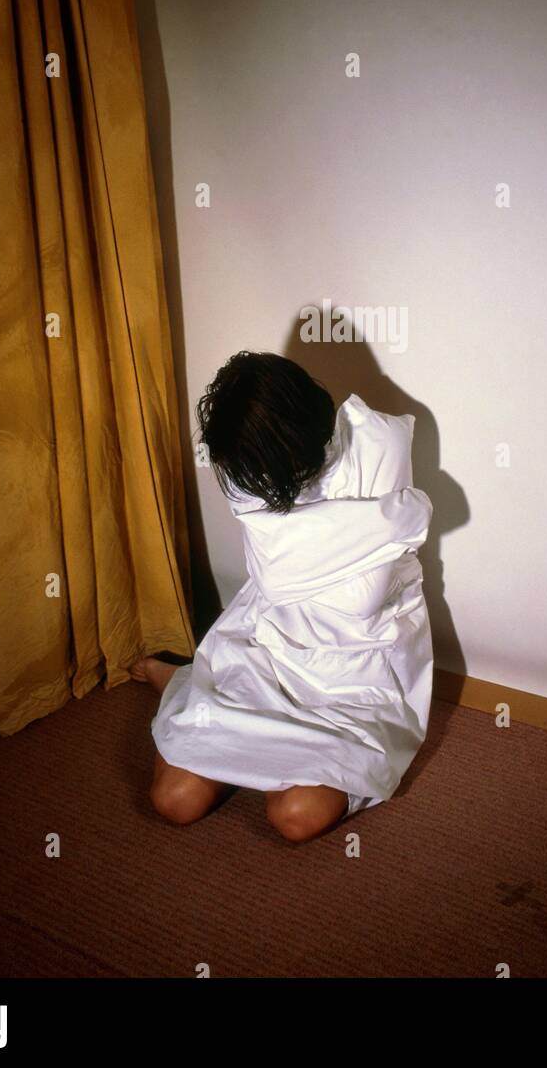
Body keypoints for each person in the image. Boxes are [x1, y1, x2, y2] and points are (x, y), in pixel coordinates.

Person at [132, 350, 433, 842]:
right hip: (270, 644)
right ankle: (184, 683)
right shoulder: (240, 458)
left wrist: (296, 546)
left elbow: (362, 597)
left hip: (358, 667)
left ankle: (194, 694)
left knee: (295, 818)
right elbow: (274, 578)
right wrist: (384, 524)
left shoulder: (377, 439)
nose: (260, 488)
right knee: (174, 802)